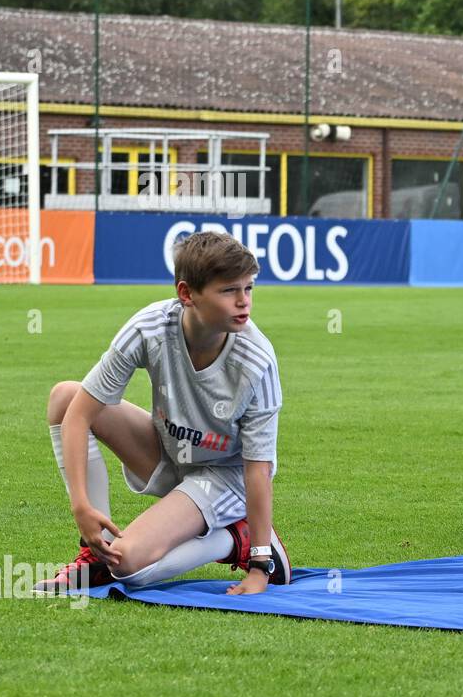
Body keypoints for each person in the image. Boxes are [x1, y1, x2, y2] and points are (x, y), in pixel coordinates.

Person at [35, 231, 290, 594]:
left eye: (248, 288)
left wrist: (260, 566)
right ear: (186, 294)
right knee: (65, 397)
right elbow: (78, 415)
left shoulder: (257, 360)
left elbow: (258, 468)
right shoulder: (150, 327)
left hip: (225, 478)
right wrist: (81, 507)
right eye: (228, 290)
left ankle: (237, 539)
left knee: (125, 565)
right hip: (172, 453)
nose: (243, 302)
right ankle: (93, 554)